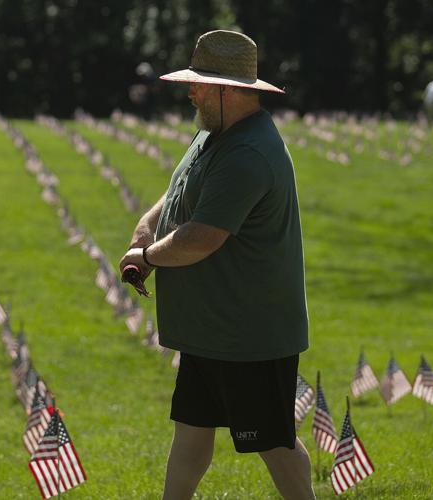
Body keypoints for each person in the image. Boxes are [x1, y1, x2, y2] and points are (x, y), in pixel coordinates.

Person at [119, 30, 314, 499]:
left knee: (274, 443)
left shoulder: (247, 153)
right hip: (213, 328)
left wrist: (147, 256)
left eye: (199, 83)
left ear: (229, 90)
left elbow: (202, 238)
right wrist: (146, 228)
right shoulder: (217, 131)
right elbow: (181, 190)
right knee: (191, 432)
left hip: (247, 334)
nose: (190, 91)